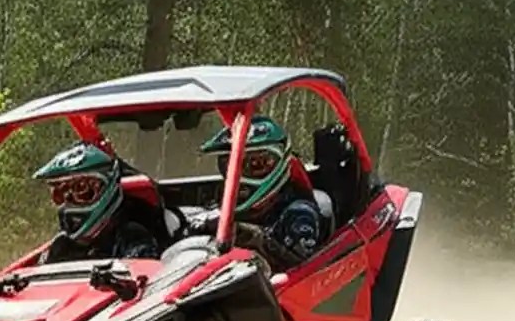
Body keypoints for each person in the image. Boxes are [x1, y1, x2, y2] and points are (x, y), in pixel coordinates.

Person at [194, 114, 333, 271]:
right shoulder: (226, 206)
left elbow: (300, 266)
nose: (240, 177)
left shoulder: (299, 213)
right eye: (230, 165)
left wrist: (248, 235)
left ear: (279, 165)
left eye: (256, 164)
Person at [33, 141, 173, 264]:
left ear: (106, 188)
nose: (68, 203)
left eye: (81, 189)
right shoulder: (62, 245)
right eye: (59, 193)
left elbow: (142, 280)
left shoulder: (131, 237)